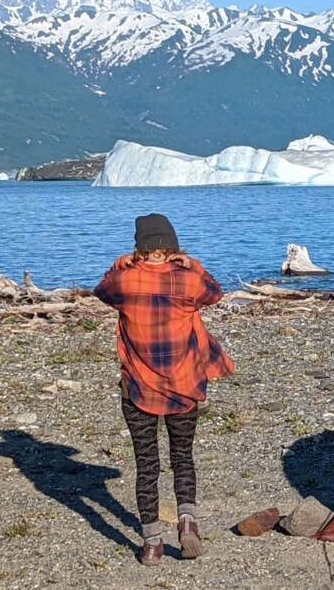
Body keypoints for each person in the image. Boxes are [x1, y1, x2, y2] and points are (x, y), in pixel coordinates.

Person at [94, 213, 235, 566]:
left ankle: (152, 545)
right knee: (182, 458)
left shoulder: (125, 283)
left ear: (139, 248)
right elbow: (215, 293)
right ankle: (187, 523)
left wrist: (120, 263)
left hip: (139, 389)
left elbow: (102, 290)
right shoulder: (187, 282)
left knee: (147, 466)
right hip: (184, 385)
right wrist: (194, 265)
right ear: (171, 246)